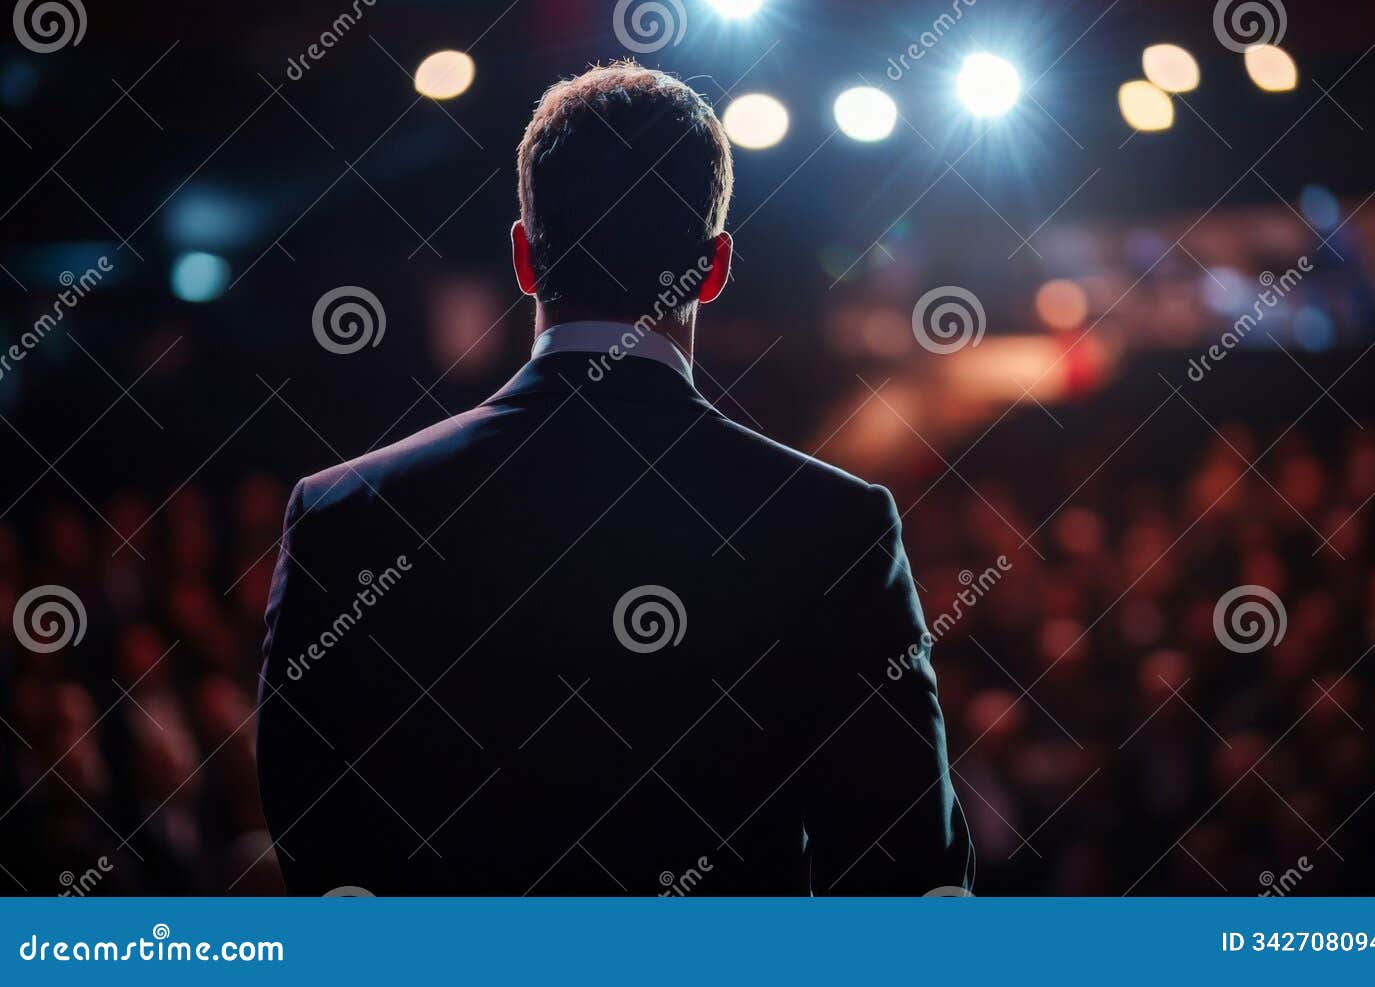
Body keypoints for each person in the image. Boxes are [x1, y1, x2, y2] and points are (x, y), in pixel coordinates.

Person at [256, 60, 972, 895]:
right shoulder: (834, 526)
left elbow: (330, 870)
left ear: (524, 257)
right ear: (714, 268)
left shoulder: (348, 514)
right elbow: (908, 875)